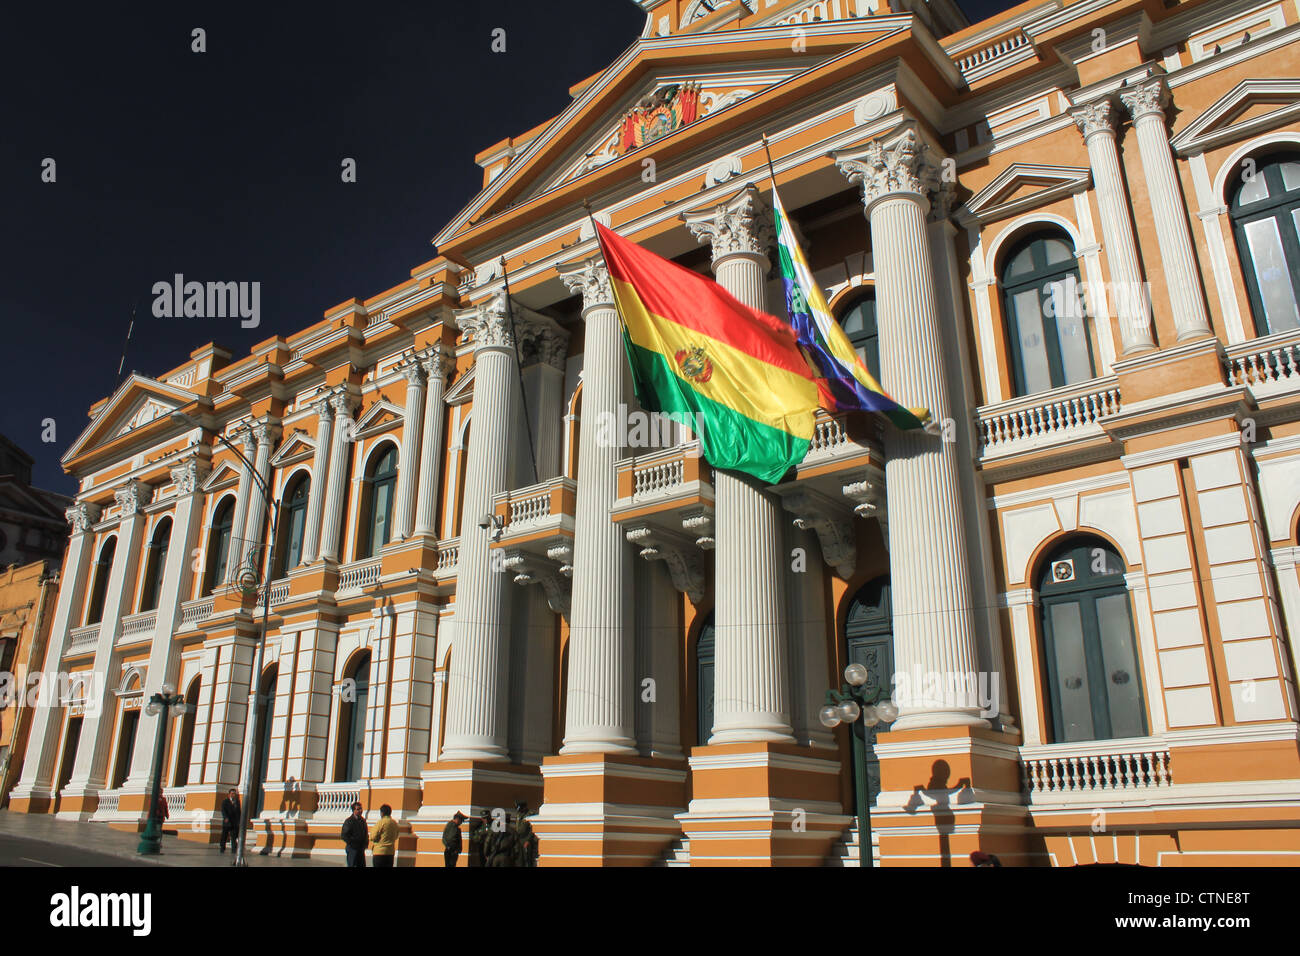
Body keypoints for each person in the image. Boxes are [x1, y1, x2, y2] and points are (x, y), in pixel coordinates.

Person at [341, 801, 368, 867]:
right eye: (358, 809)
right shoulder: (349, 821)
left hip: (361, 848)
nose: (360, 810)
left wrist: (365, 843)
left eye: (361, 809)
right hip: (352, 849)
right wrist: (352, 843)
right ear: (354, 810)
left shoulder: (363, 820)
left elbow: (365, 833)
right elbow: (344, 835)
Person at [512, 800, 538, 867]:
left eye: (520, 809)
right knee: (519, 860)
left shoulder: (530, 814)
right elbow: (517, 827)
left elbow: (533, 829)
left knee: (527, 859)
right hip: (519, 840)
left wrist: (528, 840)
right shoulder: (519, 814)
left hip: (527, 840)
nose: (519, 810)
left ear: (524, 807)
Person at [371, 804, 397, 868]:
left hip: (379, 851)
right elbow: (396, 836)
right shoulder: (394, 823)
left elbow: (373, 836)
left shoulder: (381, 822)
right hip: (390, 852)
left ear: (382, 813)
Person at [220, 788, 241, 854]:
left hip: (234, 822)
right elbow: (223, 810)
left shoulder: (237, 802)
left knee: (234, 836)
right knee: (224, 836)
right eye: (232, 794)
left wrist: (239, 820)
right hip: (227, 822)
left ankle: (234, 850)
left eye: (234, 794)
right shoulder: (225, 801)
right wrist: (225, 817)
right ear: (229, 794)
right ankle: (222, 848)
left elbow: (239, 812)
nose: (233, 795)